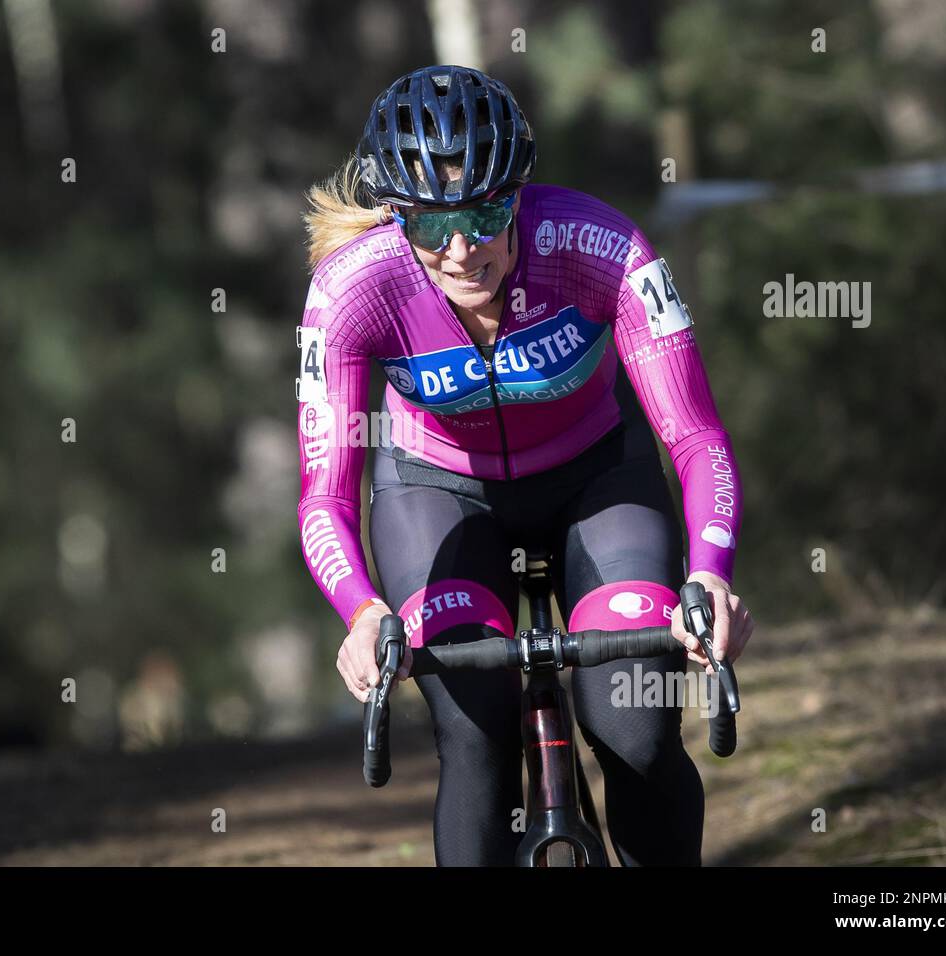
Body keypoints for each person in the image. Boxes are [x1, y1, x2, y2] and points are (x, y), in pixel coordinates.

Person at [296, 64, 753, 866]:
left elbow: (696, 437)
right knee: (474, 740)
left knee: (633, 729)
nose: (463, 248)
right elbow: (324, 494)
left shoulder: (600, 245)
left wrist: (709, 573)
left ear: (519, 195)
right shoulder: (351, 292)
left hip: (597, 479)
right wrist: (363, 612)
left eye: (485, 212)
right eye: (433, 227)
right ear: (395, 219)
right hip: (438, 495)